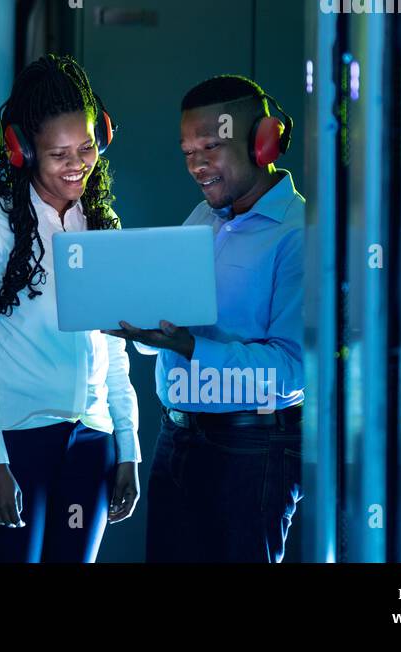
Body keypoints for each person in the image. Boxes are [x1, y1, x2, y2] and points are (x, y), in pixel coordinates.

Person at [0, 55, 142, 563]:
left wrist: (128, 444)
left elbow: (115, 349)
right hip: (14, 443)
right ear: (23, 150)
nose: (77, 163)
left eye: (87, 147)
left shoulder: (100, 226)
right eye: (59, 153)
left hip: (90, 443)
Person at [107, 74, 304, 562]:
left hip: (251, 448)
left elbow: (294, 370)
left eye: (211, 147)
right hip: (178, 438)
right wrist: (147, 332)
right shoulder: (203, 216)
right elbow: (174, 330)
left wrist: (191, 348)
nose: (196, 164)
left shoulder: (298, 233)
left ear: (262, 143)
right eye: (188, 151)